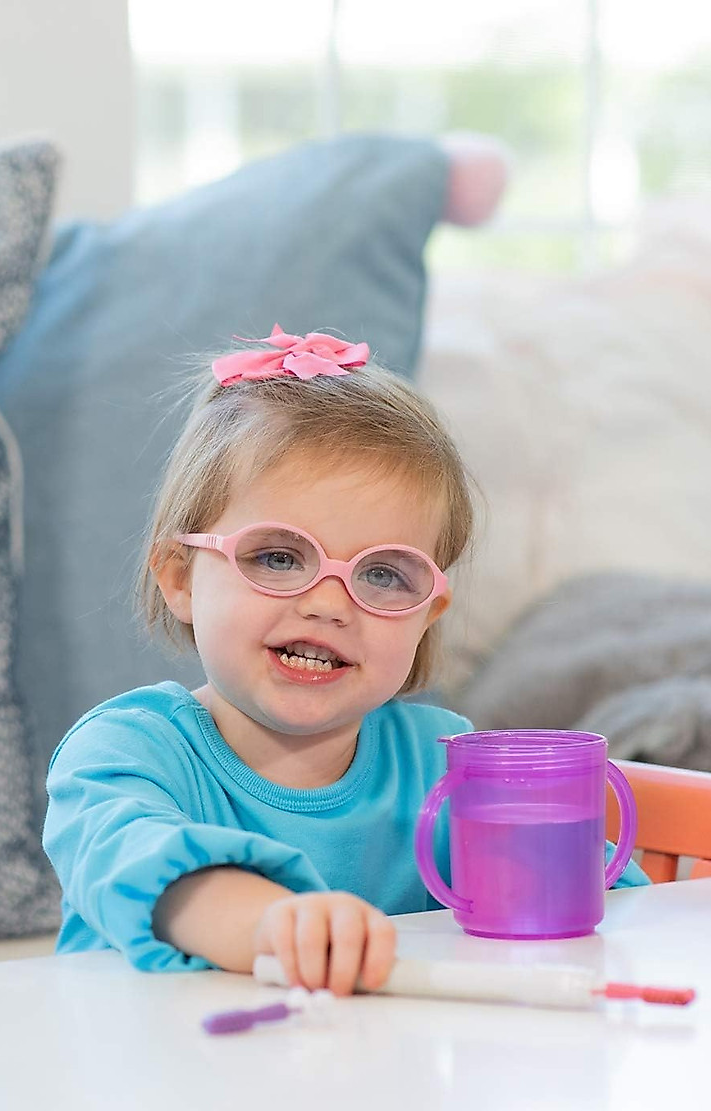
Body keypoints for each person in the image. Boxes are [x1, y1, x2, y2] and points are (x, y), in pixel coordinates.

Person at [43, 325, 646, 996]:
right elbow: (139, 863)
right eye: (277, 557)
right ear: (181, 578)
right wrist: (276, 923)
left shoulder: (440, 766)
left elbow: (607, 912)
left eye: (385, 575)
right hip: (162, 1082)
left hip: (375, 1086)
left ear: (425, 617)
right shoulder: (122, 752)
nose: (330, 604)